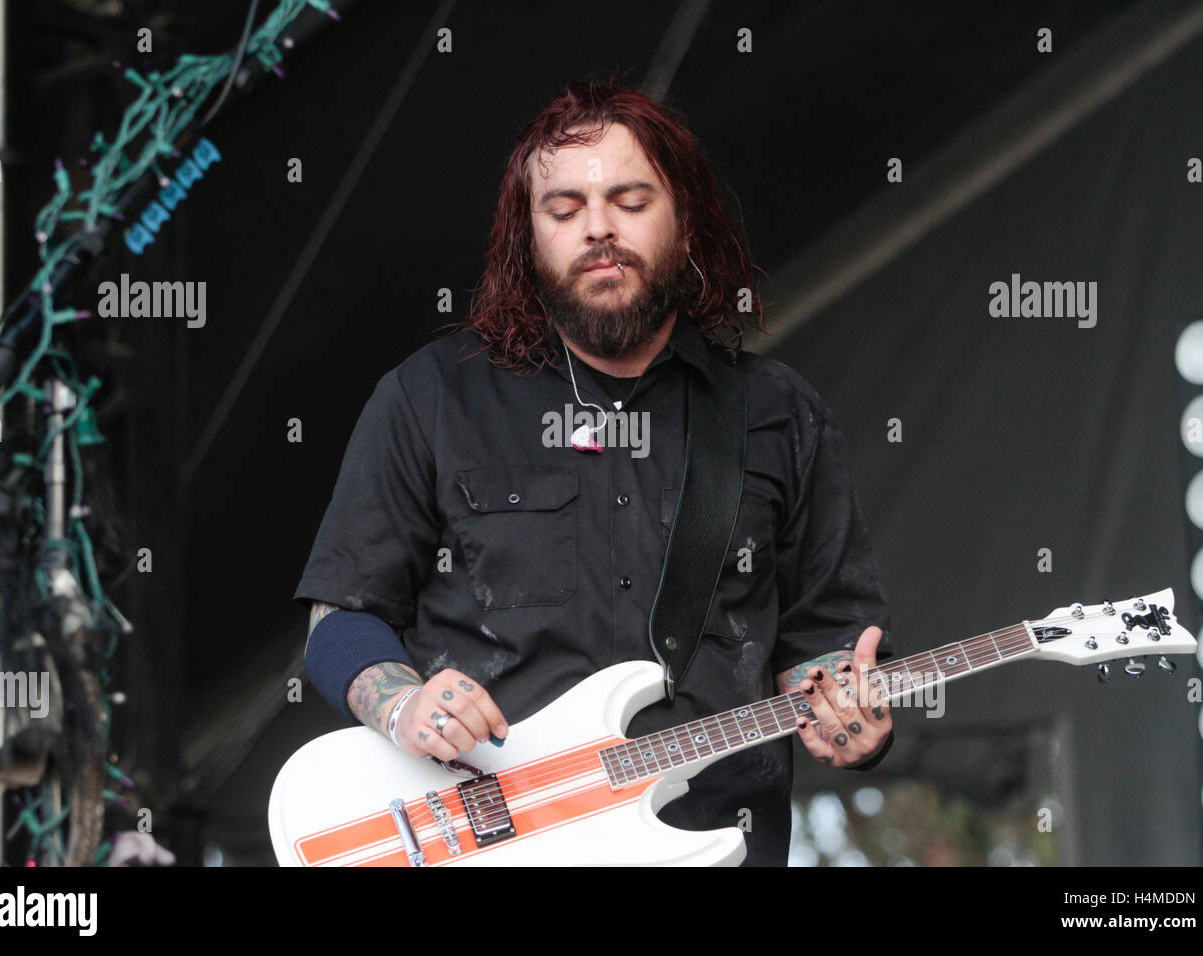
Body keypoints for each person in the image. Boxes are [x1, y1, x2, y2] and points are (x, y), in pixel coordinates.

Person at [293, 76, 894, 866]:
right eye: (565, 210)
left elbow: (824, 643)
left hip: (715, 842)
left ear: (685, 221)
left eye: (631, 201)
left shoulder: (777, 414)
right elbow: (340, 619)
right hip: (491, 844)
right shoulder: (431, 397)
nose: (598, 230)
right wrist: (404, 702)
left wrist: (848, 715)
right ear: (528, 237)